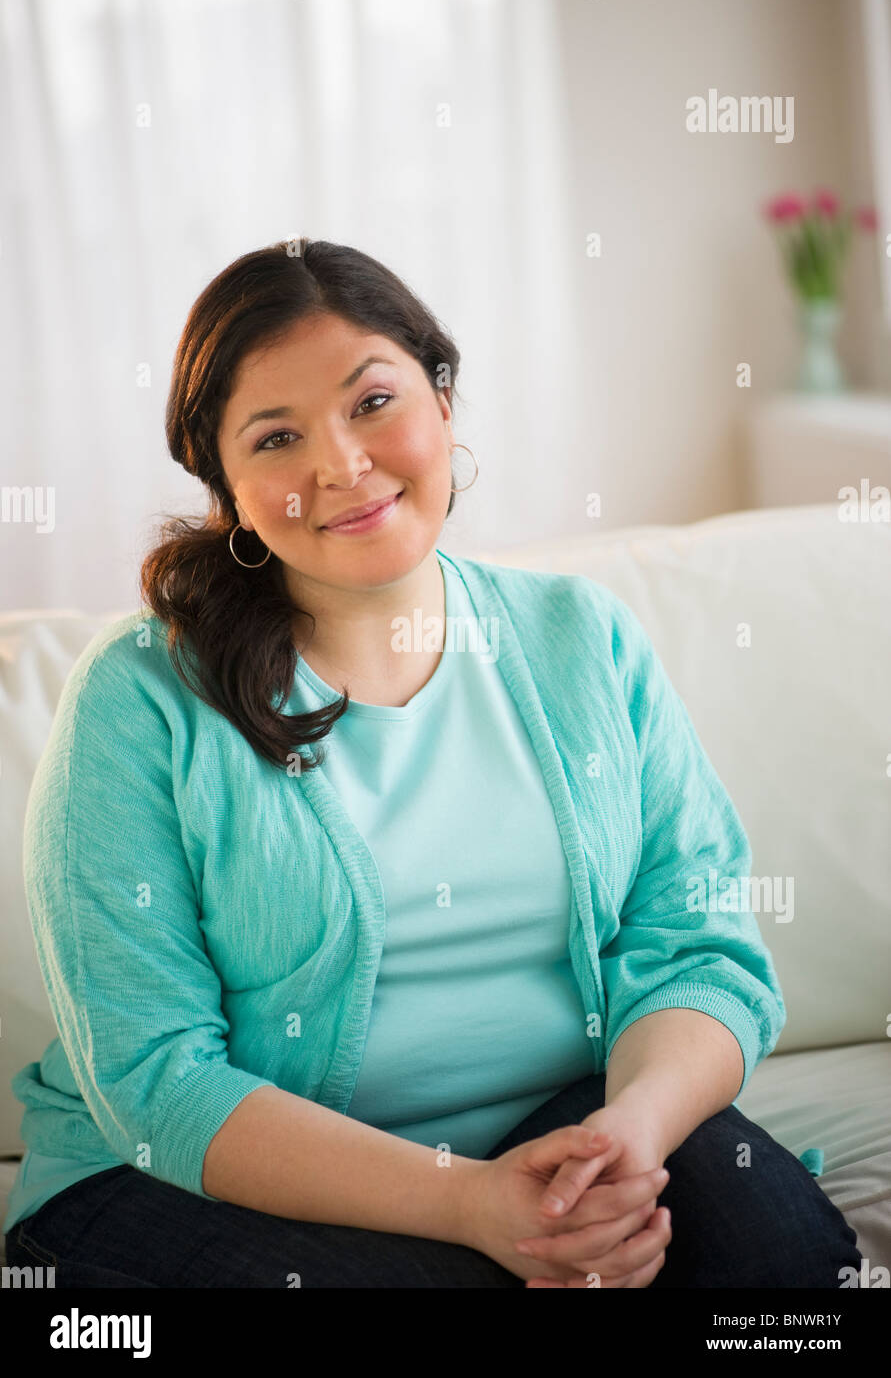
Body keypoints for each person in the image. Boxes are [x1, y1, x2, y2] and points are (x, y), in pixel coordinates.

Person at [4, 239, 861, 1288]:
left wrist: (628, 1137)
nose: (341, 464)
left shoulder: (580, 639)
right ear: (225, 483)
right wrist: (465, 1203)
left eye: (372, 402)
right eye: (277, 437)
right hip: (172, 1177)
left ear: (443, 402)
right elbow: (155, 1079)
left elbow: (701, 945)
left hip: (557, 1121)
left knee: (793, 1267)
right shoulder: (136, 701)